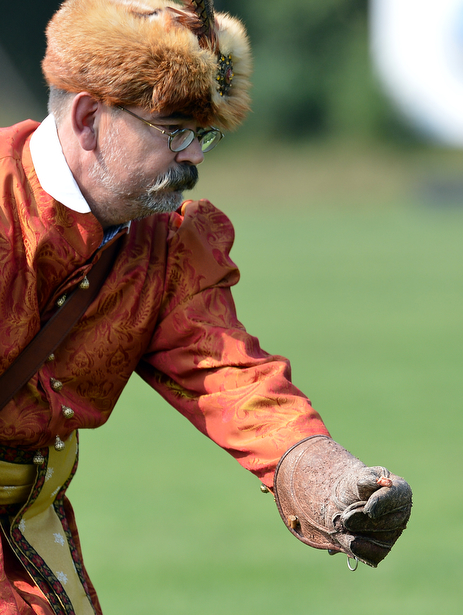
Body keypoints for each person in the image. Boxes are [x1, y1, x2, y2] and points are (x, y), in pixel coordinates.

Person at [0, 1, 412, 613]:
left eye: (205, 134)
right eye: (173, 129)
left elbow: (232, 375)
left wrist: (319, 471)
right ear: (88, 116)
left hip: (28, 533)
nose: (193, 155)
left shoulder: (166, 245)